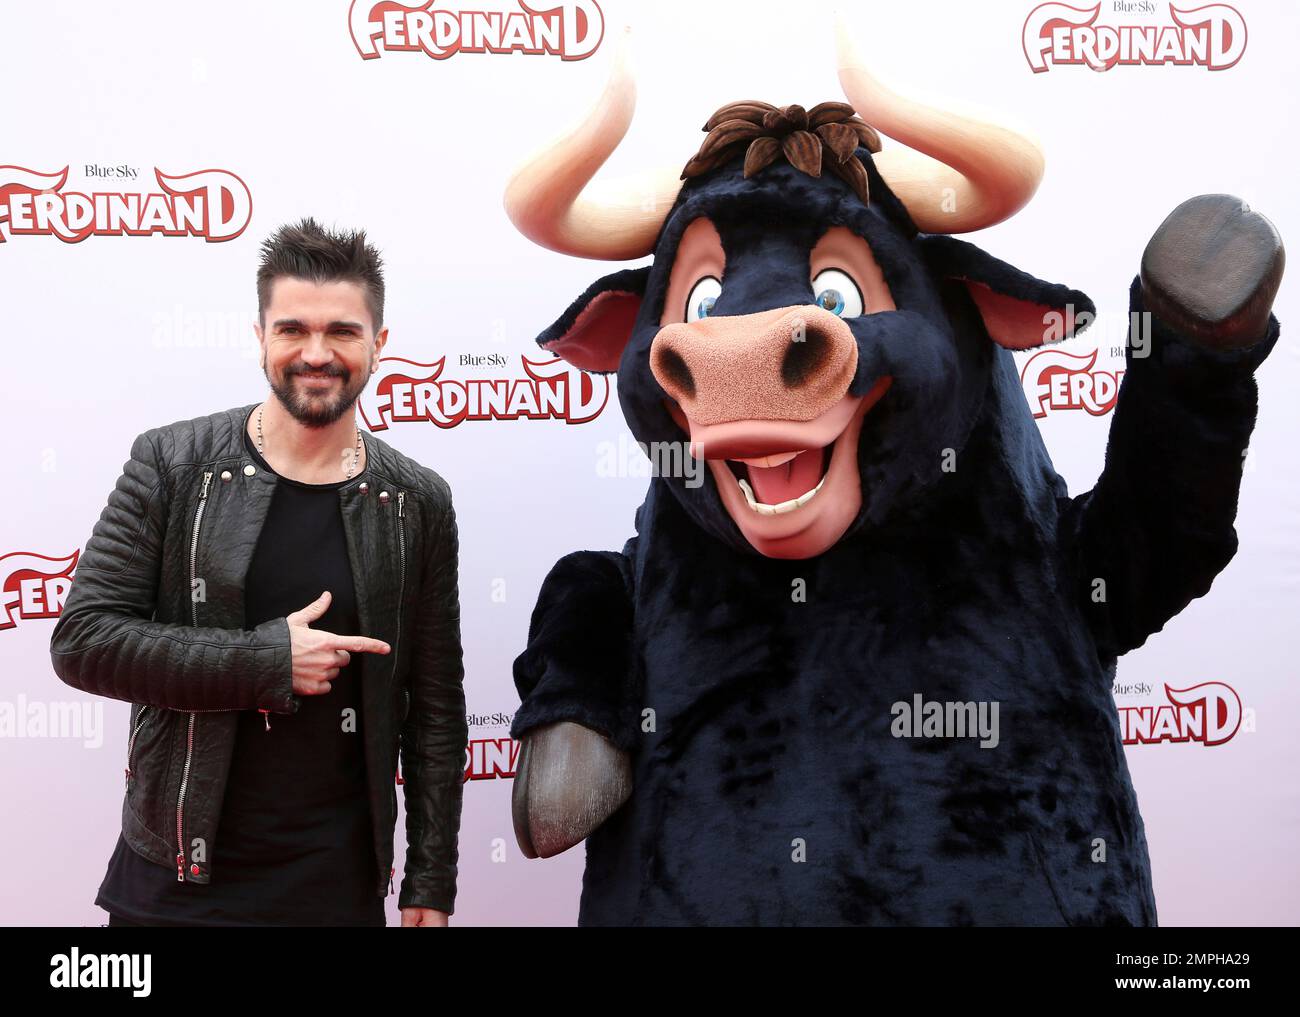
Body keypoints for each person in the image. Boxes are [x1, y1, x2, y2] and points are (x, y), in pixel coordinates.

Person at [50, 218, 468, 927]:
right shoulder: (173, 464)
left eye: (342, 331)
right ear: (260, 336)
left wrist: (431, 877)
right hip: (176, 881)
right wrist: (266, 660)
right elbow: (84, 641)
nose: (316, 353)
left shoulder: (415, 501)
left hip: (335, 888)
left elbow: (434, 710)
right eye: (292, 329)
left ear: (379, 344)